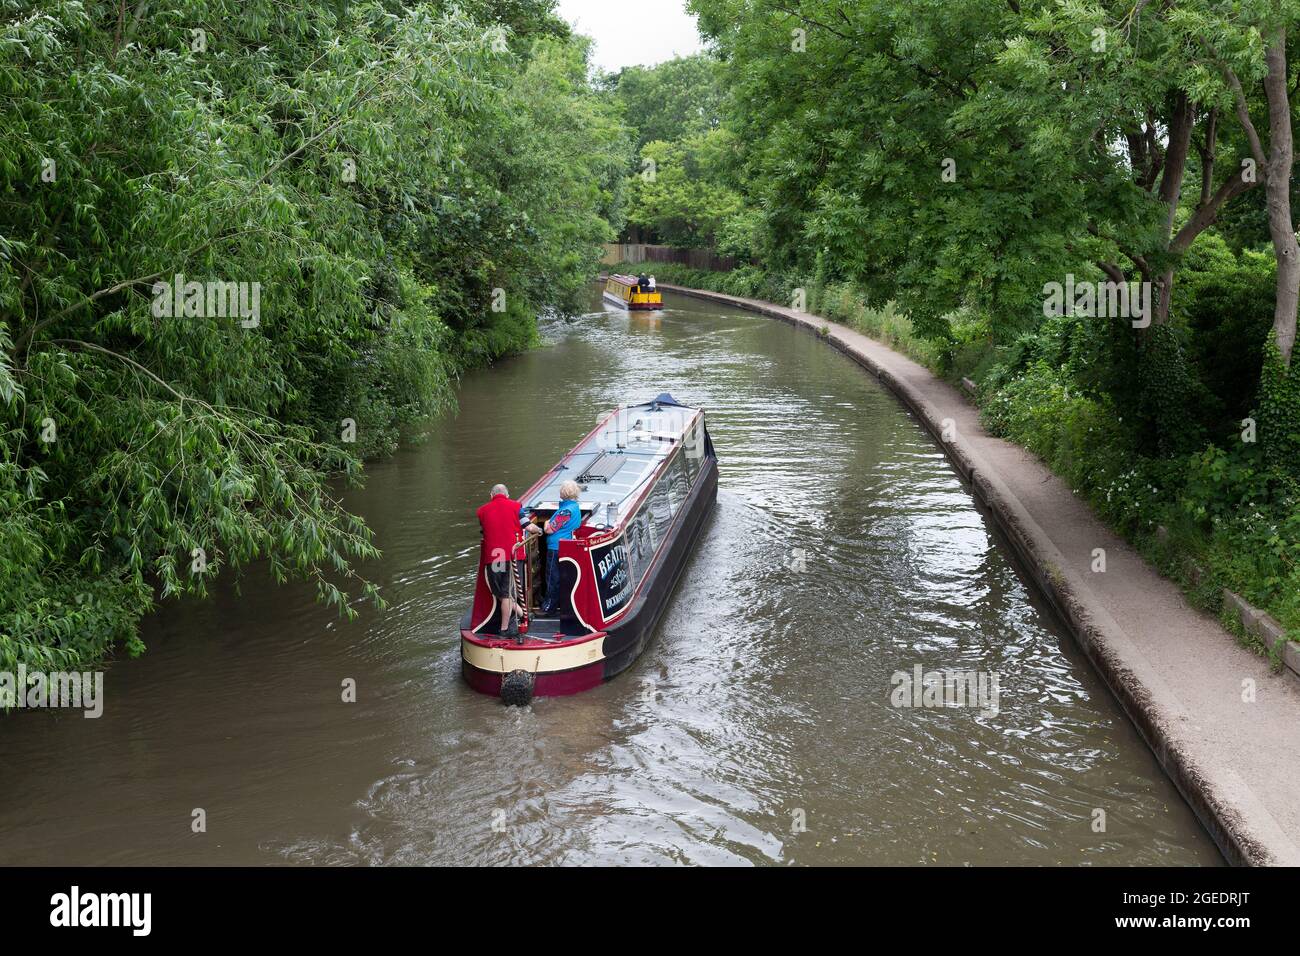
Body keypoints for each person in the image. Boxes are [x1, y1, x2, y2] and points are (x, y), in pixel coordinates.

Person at [527, 479, 582, 615]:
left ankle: (548, 608)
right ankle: (552, 602)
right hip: (564, 546)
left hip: (556, 548)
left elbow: (549, 530)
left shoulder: (566, 511)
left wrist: (546, 522)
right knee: (557, 577)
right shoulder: (574, 507)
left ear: (563, 492)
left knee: (552, 578)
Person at [477, 483, 524, 636]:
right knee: (506, 594)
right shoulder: (516, 506)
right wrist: (538, 530)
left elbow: (484, 531)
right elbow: (528, 526)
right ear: (507, 495)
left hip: (495, 556)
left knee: (500, 592)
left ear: (491, 495)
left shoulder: (482, 511)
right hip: (510, 556)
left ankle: (521, 613)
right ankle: (505, 628)